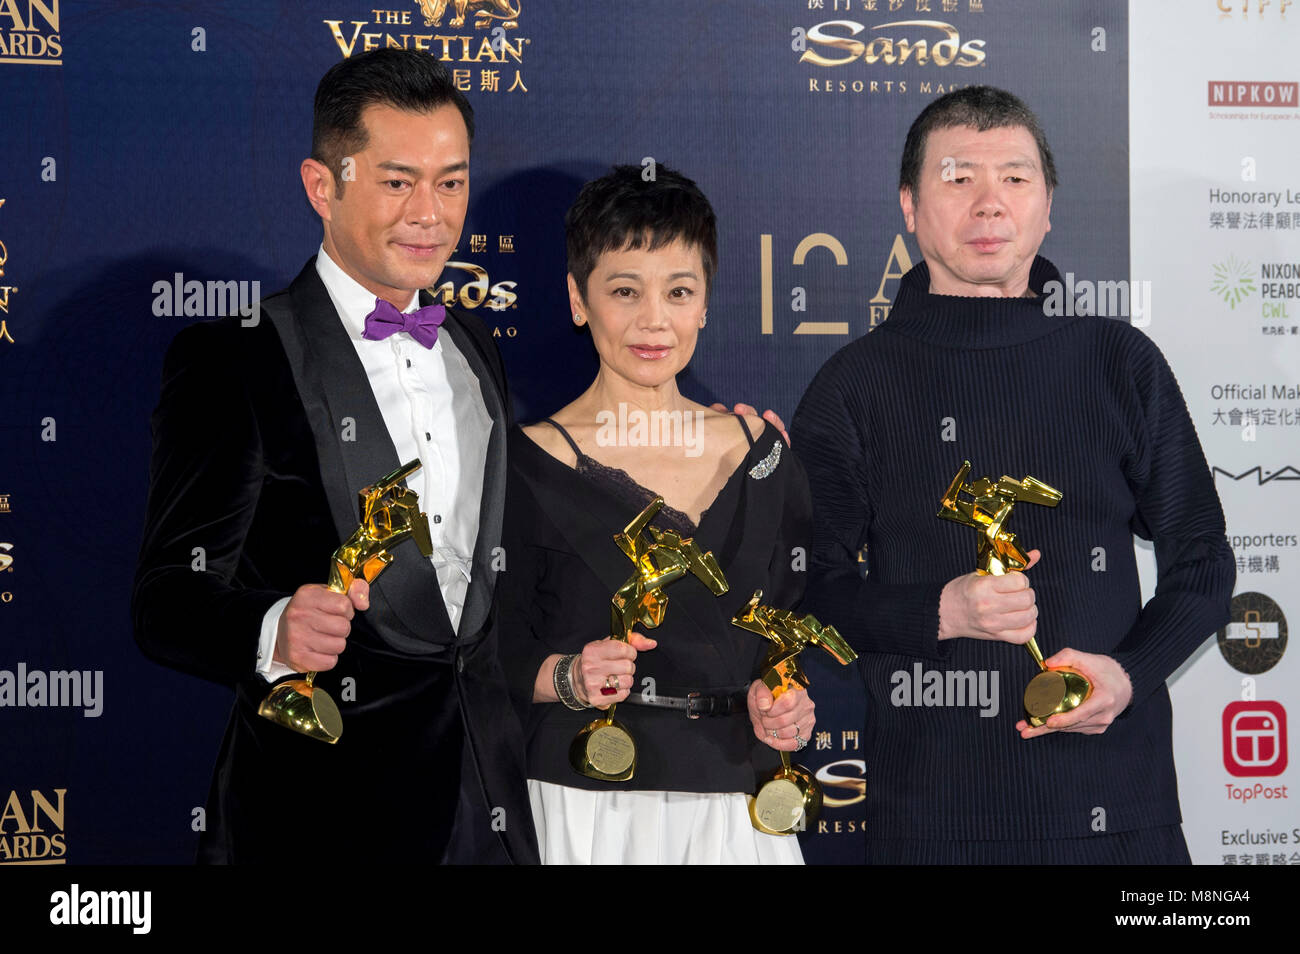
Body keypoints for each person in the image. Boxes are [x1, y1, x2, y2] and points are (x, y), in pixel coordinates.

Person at [791, 86, 1235, 864]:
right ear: (909, 205)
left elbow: (1202, 558)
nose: (990, 203)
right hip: (931, 820)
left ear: (1049, 204)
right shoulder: (853, 385)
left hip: (1118, 811)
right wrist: (942, 612)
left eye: (1016, 178)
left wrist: (1130, 675)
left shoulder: (1116, 361)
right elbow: (813, 592)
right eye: (959, 177)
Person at [132, 49, 537, 864]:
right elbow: (165, 600)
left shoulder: (474, 344)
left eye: (451, 182)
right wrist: (274, 625)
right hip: (320, 815)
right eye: (397, 182)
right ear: (324, 186)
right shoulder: (235, 359)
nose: (432, 213)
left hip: (487, 807)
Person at [497, 165, 816, 864]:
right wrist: (569, 677)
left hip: (741, 807)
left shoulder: (764, 456)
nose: (653, 320)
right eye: (623, 291)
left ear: (704, 303)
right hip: (590, 807)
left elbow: (787, 631)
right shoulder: (522, 466)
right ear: (578, 301)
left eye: (678, 291)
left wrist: (785, 698)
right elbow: (485, 659)